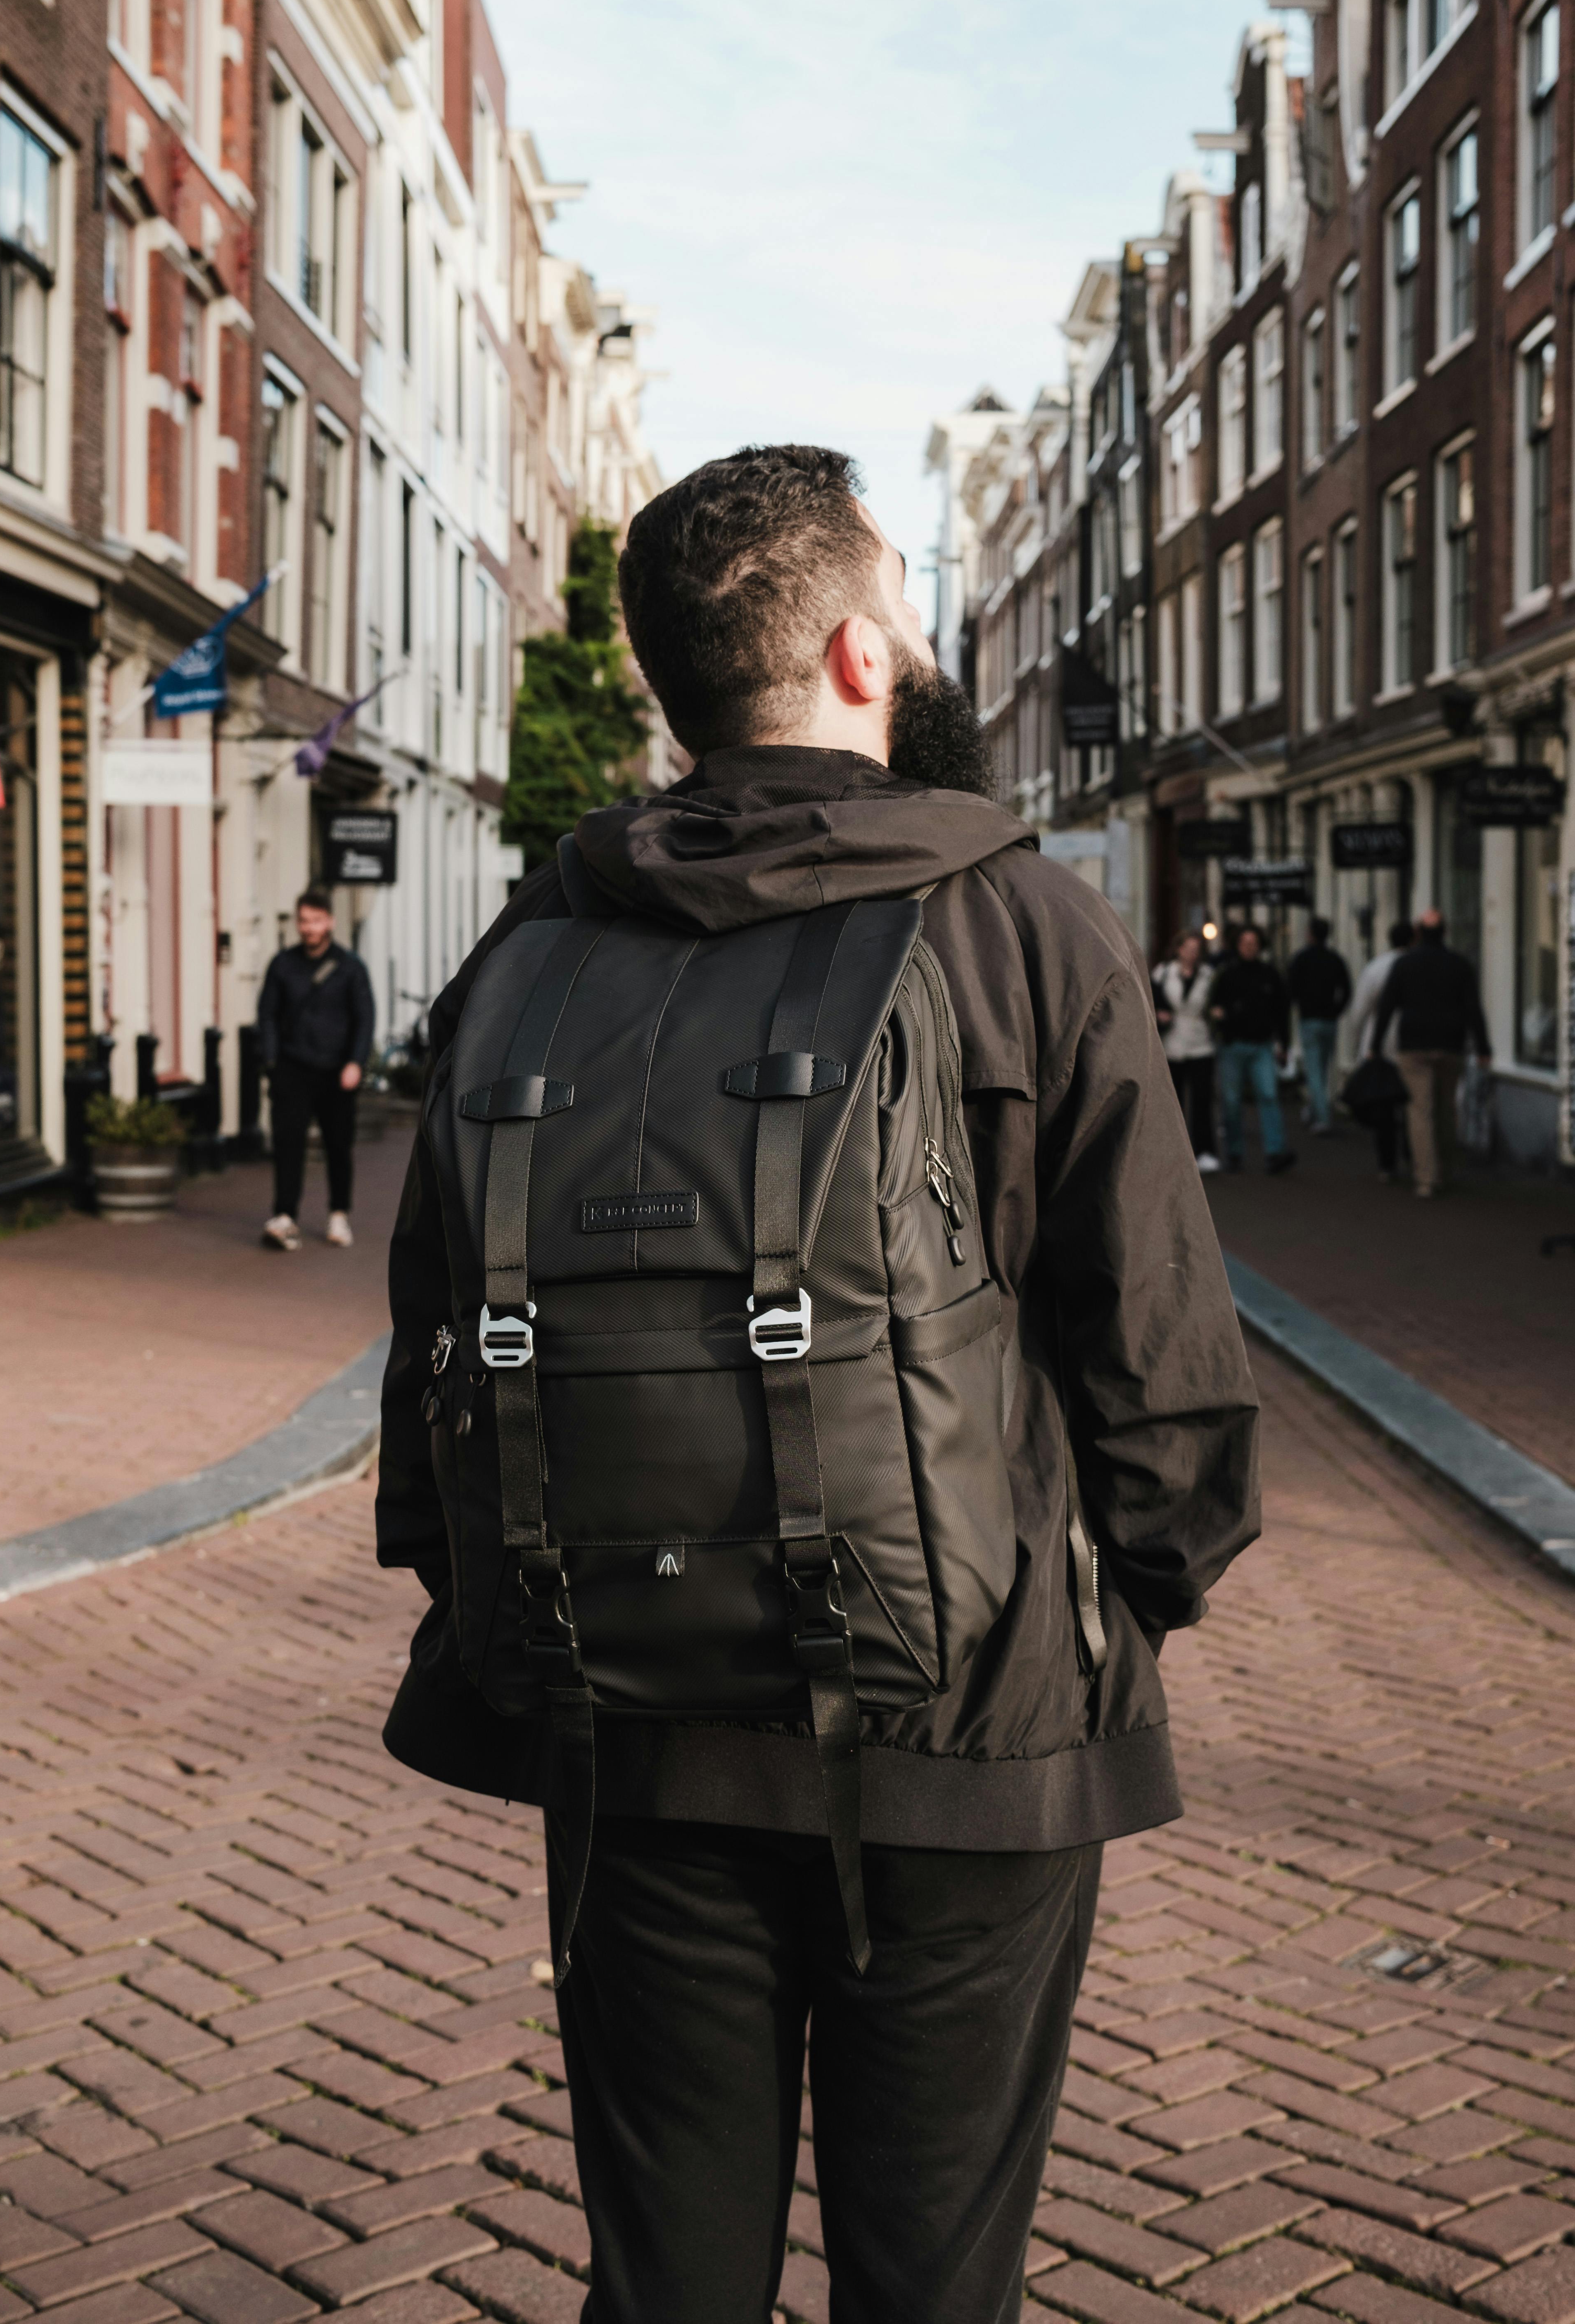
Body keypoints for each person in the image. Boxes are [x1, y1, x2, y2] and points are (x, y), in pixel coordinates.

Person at [375, 446, 1260, 2324]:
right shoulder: (1022, 927)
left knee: (667, 2281)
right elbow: (1171, 1391)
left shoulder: (529, 947)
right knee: (931, 2284)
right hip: (966, 1739)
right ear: (862, 654)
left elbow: (430, 1354)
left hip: (625, 1724)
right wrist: (1081, 1627)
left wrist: (529, 1611)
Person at [256, 884, 375, 1251]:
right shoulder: (283, 965)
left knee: (338, 1146)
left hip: (338, 1072)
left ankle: (339, 1214)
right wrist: (272, 1062)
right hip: (293, 1069)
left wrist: (356, 1062)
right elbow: (267, 1016)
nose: (309, 928)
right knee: (288, 1144)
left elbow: (365, 1018)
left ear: (330, 922)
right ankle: (285, 1215)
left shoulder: (350, 968)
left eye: (316, 921)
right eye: (304, 921)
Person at [1371, 907, 1490, 1199]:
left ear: (1418, 934)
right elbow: (1474, 1007)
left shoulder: (1404, 965)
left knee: (1420, 1111)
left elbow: (1387, 1007)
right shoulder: (1460, 965)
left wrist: (1375, 1045)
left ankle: (1426, 1179)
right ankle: (1446, 1172)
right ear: (1445, 933)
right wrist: (1483, 1047)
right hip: (1451, 1043)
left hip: (1413, 1044)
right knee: (1447, 1109)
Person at [1207, 925, 1295, 1175]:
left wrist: (1284, 1044)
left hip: (1262, 1046)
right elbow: (1212, 1006)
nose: (1250, 947)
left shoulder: (1270, 975)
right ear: (1238, 945)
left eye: (1254, 943)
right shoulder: (1226, 974)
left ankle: (1275, 1152)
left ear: (1260, 946)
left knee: (1268, 1095)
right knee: (1232, 1102)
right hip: (1232, 1046)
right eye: (1245, 943)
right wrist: (1221, 1024)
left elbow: (1281, 1011)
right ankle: (1235, 1153)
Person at [1345, 919, 1413, 1180]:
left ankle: (1388, 1163)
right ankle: (1413, 1153)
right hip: (1409, 1045)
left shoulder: (1377, 967)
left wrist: (1358, 1047)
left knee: (1384, 1106)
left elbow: (1360, 1010)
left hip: (1381, 1047)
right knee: (1414, 1104)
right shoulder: (1415, 967)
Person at [1153, 928, 1219, 1171]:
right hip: (1172, 1044)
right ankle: (1173, 1152)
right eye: (1188, 949)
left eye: (1196, 950)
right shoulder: (1162, 973)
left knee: (1202, 1100)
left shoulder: (1209, 975)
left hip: (1201, 1044)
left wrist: (1216, 1015)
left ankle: (1205, 1151)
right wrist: (1160, 1014)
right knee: (1174, 1102)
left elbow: (1216, 1002)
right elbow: (1152, 1000)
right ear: (1179, 949)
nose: (1192, 954)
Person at [1286, 914, 1352, 1134]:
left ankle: (1322, 1118)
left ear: (1311, 934)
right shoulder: (1335, 959)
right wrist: (1336, 1010)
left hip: (1310, 1020)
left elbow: (1291, 989)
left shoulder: (1302, 959)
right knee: (1321, 1069)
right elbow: (1347, 990)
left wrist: (1300, 1006)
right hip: (1329, 1021)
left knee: (1315, 1070)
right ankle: (1315, 1110)